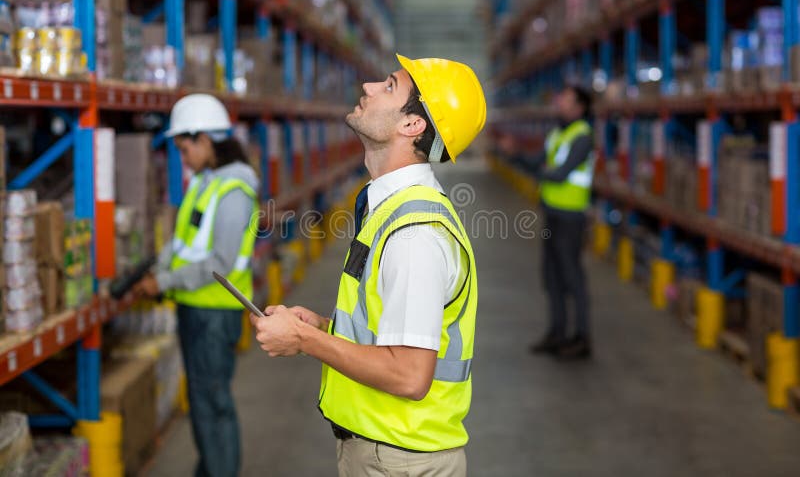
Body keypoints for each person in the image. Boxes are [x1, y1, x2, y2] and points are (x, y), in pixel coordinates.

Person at [250, 55, 485, 476]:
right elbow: (390, 330)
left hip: (400, 460)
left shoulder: (415, 236)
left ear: (412, 126)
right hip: (386, 452)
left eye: (390, 86)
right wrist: (324, 327)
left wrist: (303, 339)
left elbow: (411, 376)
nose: (369, 87)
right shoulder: (389, 208)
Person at [133, 93, 258, 477]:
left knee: (212, 404)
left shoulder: (234, 191)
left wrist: (165, 281)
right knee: (204, 403)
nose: (182, 157)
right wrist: (156, 268)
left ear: (205, 140)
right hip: (195, 306)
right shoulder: (206, 182)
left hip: (214, 313)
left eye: (184, 147)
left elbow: (219, 262)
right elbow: (184, 240)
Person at [502, 85, 594, 360]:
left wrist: (543, 171)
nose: (559, 103)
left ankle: (582, 337)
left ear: (580, 108)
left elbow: (560, 174)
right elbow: (537, 163)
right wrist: (514, 153)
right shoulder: (557, 133)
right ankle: (557, 333)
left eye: (566, 100)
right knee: (552, 276)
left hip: (571, 217)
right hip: (552, 213)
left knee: (572, 276)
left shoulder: (582, 136)